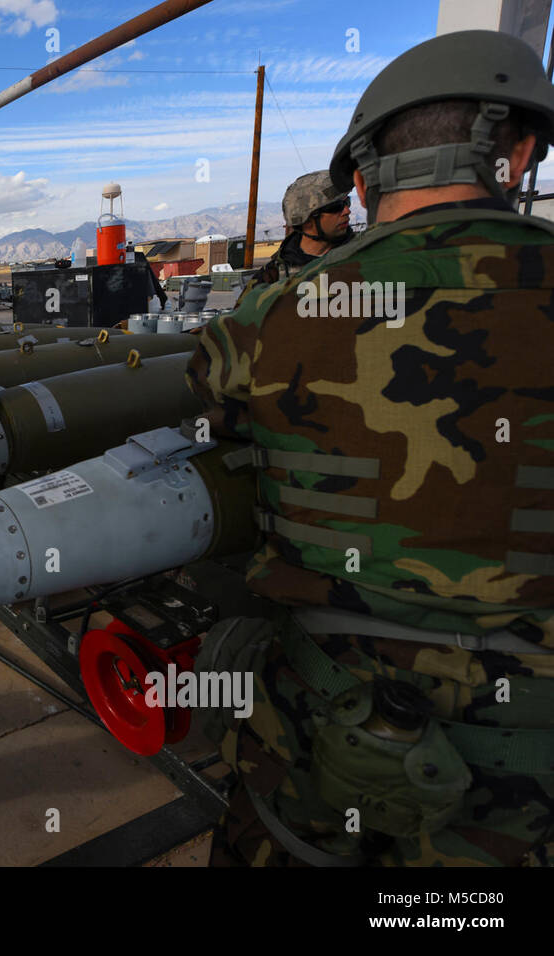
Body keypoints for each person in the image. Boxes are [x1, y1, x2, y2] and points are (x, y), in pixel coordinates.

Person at [186, 29, 554, 866]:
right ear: (521, 150)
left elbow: (212, 405)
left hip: (320, 746)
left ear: (363, 172)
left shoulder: (273, 317)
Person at [236, 170, 352, 302]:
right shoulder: (272, 276)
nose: (347, 211)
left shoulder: (362, 255)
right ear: (307, 220)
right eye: (337, 207)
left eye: (347, 202)